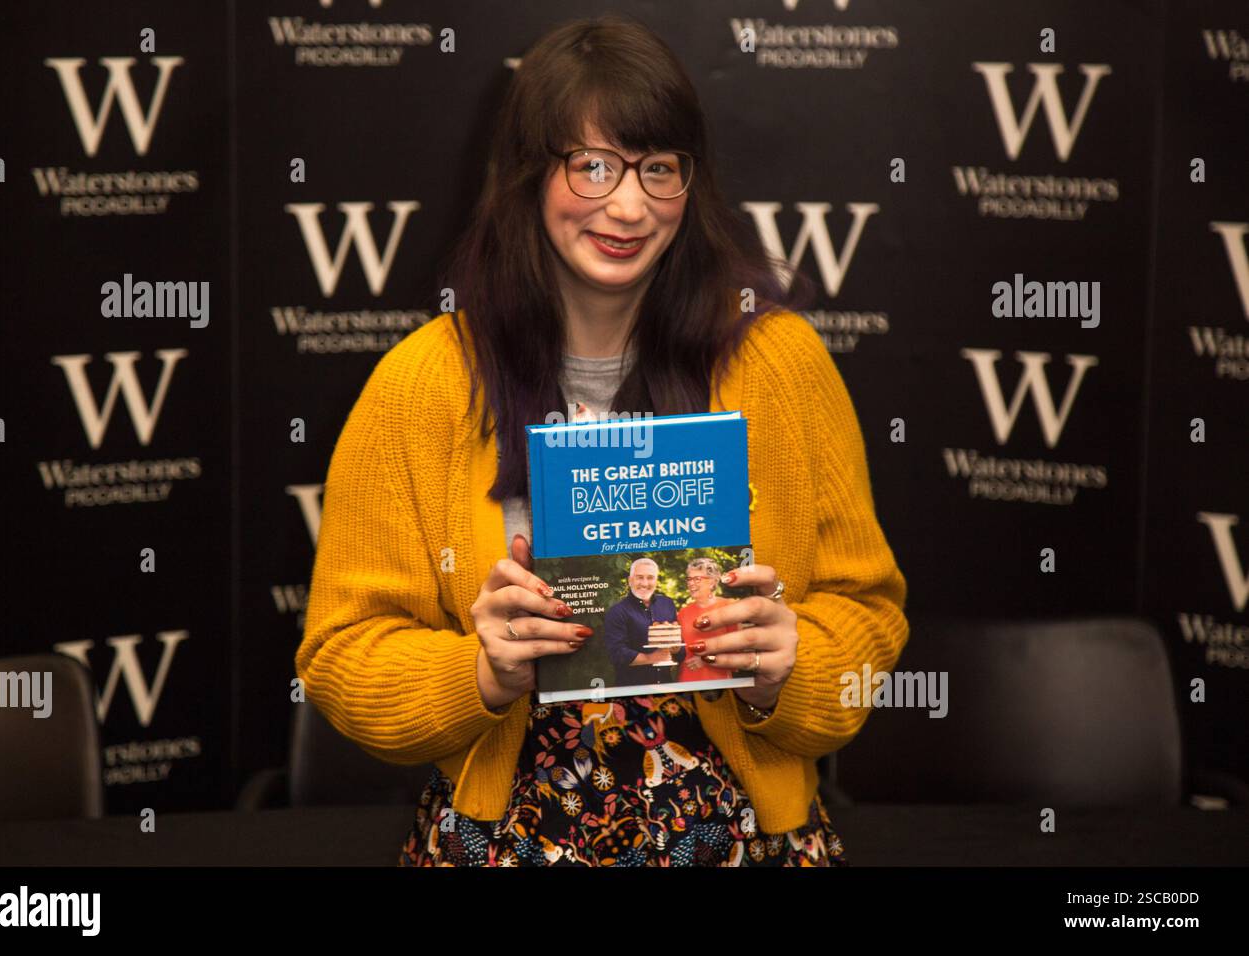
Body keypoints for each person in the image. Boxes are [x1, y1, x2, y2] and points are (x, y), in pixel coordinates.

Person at [296, 14, 908, 867]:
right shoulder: (423, 384)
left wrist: (788, 666)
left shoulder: (780, 363)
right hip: (505, 837)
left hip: (744, 836)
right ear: (526, 176)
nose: (629, 205)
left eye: (659, 169)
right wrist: (480, 673)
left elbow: (867, 610)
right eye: (592, 166)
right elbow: (341, 653)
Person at [603, 558, 684, 687]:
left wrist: (676, 648)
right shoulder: (617, 611)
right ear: (630, 580)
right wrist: (651, 658)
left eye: (650, 578)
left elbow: (680, 651)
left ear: (656, 581)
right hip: (632, 688)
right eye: (639, 577)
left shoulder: (667, 604)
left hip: (666, 685)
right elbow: (617, 653)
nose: (645, 583)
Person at [676, 558, 739, 684]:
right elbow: (679, 652)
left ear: (712, 581)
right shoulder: (683, 613)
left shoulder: (729, 606)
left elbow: (737, 651)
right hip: (687, 680)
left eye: (697, 579)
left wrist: (706, 659)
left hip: (719, 682)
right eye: (689, 579)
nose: (691, 583)